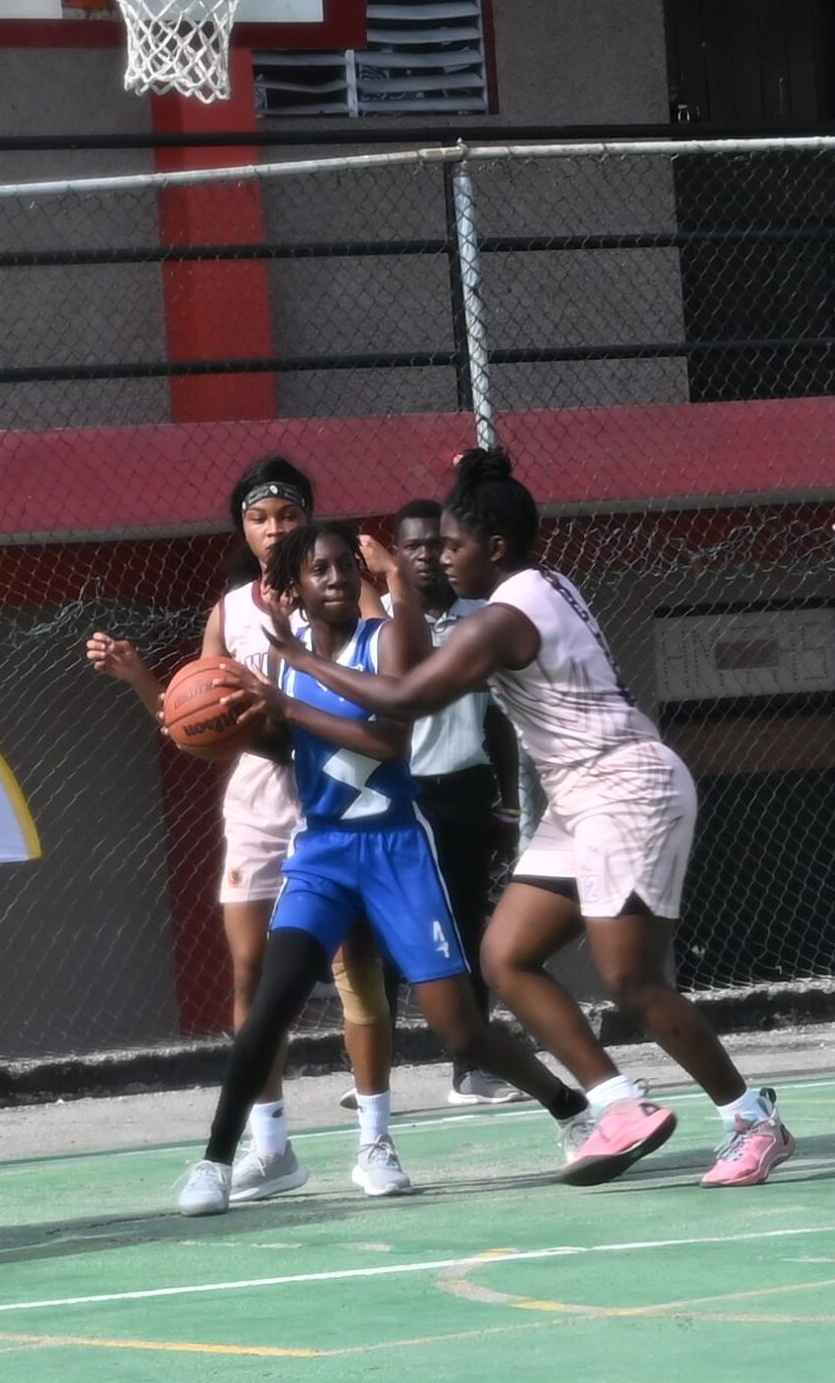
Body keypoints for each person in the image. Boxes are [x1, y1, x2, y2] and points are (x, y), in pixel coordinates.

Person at [265, 450, 797, 1190]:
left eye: (452, 547)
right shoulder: (539, 587)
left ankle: (752, 1118)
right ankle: (618, 1107)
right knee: (506, 956)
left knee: (631, 979)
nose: (442, 559)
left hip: (626, 790)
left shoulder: (507, 617)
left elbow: (408, 696)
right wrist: (392, 589)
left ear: (497, 549)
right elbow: (418, 655)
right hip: (581, 796)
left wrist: (294, 670)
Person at [176, 519, 592, 1216]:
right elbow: (295, 749)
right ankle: (216, 1162)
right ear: (295, 588)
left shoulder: (388, 638)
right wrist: (228, 723)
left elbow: (386, 743)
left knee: (458, 1029)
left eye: (346, 566)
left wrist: (287, 698)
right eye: (321, 570)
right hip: (324, 850)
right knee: (270, 1005)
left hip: (397, 846)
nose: (338, 578)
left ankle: (570, 1107)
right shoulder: (288, 657)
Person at [86, 457, 406, 1201]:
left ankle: (377, 1142)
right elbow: (191, 724)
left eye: (287, 516)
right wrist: (141, 679)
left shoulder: (343, 587)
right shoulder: (230, 610)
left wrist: (387, 585)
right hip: (260, 809)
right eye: (260, 519)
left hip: (340, 798)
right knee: (251, 978)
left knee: (355, 972)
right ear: (243, 529)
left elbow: (390, 674)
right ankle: (271, 1149)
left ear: (308, 521)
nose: (274, 530)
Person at [369, 499, 526, 1107]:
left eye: (439, 544)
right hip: (399, 792)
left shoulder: (483, 617)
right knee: (382, 933)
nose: (429, 556)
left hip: (463, 790)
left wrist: (509, 805)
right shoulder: (377, 620)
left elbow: (499, 724)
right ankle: (373, 1078)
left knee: (465, 927)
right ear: (395, 554)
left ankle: (471, 1069)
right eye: (414, 547)